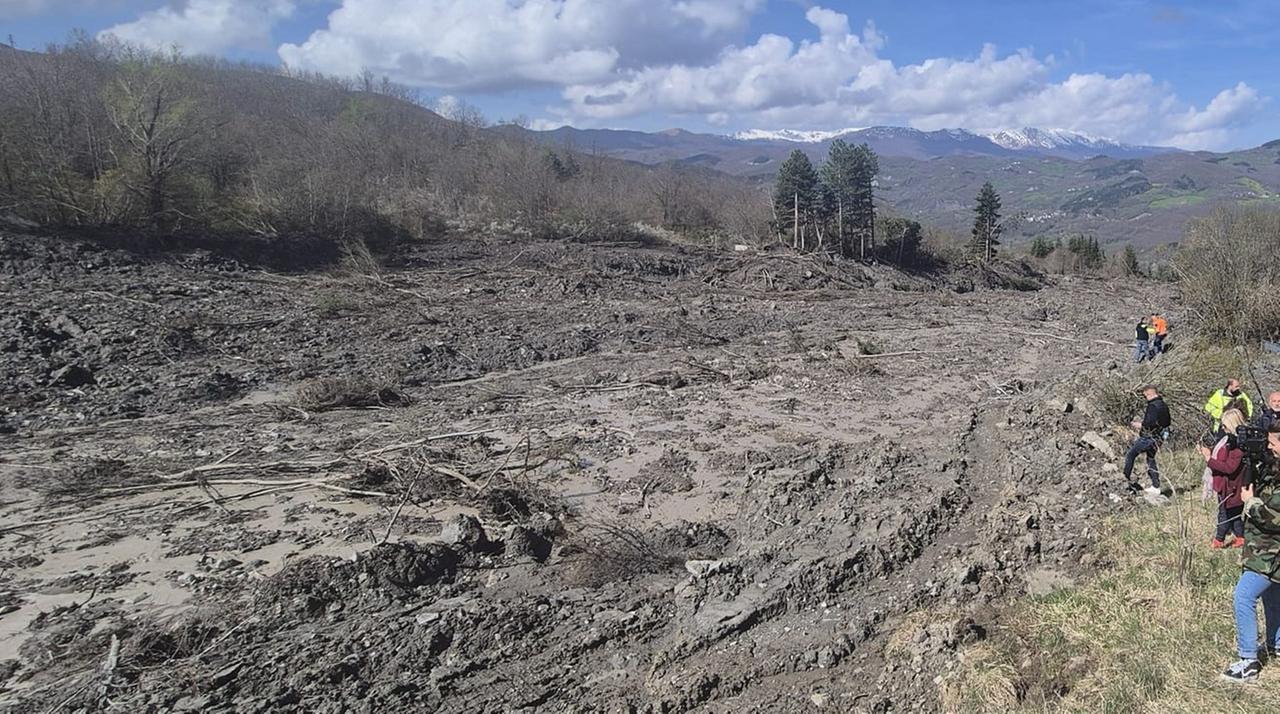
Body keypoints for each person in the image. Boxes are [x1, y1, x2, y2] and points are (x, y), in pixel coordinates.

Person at [1221, 421, 1280, 683]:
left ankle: (1248, 662)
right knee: (1273, 597)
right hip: (1263, 550)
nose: (1268, 447)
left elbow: (1273, 517)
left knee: (1243, 596)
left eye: (1273, 443)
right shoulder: (1273, 468)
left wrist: (1250, 503)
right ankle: (1276, 644)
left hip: (1268, 554)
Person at [1201, 409, 1247, 548]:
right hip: (1226, 486)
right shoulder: (1229, 441)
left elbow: (1229, 468)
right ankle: (1240, 537)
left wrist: (1209, 459)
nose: (1223, 428)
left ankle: (1218, 540)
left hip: (1231, 487)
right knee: (1234, 515)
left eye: (1225, 425)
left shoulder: (1238, 446)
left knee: (1225, 514)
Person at [1125, 385, 1171, 496]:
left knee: (1131, 454)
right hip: (1159, 437)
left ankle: (1125, 479)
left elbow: (1149, 423)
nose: (1146, 398)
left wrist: (1139, 425)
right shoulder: (1163, 405)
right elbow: (1167, 422)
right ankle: (1156, 486)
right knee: (1151, 459)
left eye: (1146, 396)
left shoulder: (1152, 406)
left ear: (1149, 394)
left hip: (1149, 437)